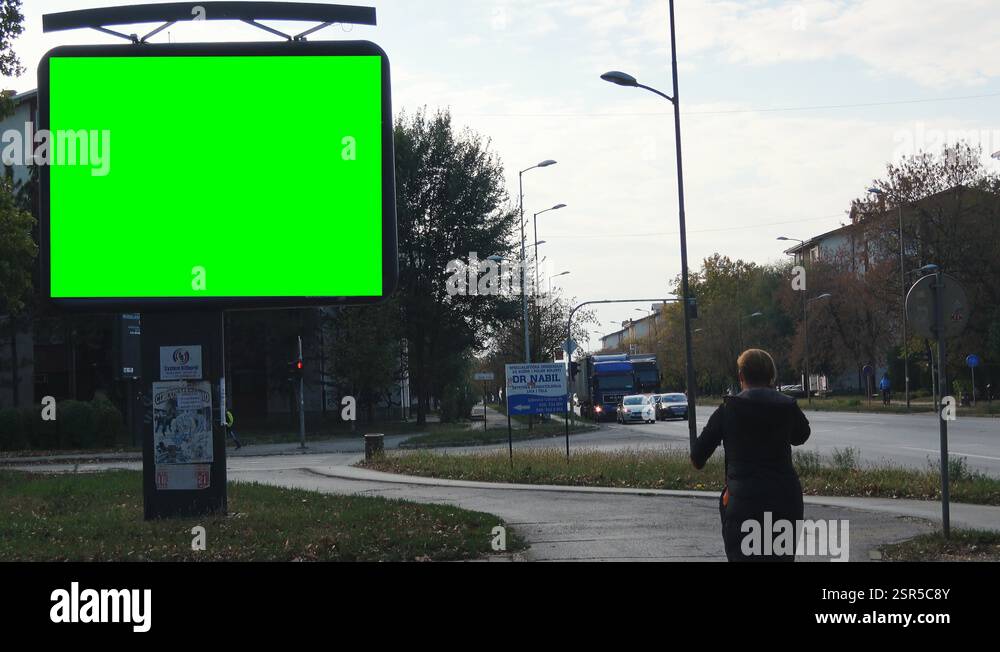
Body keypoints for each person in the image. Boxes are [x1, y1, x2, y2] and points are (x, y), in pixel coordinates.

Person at [691, 349, 811, 562]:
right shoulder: (787, 407)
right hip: (785, 499)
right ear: (771, 376)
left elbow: (697, 458)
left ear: (741, 376)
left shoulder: (727, 410)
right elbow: (802, 435)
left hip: (743, 504)